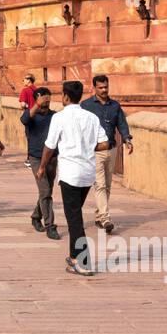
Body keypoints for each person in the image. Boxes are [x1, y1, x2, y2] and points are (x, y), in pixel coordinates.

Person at [38, 80, 109, 276]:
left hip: (70, 173)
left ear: (66, 97)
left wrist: (42, 166)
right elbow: (105, 143)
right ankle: (74, 256)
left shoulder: (59, 118)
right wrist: (86, 147)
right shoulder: (91, 117)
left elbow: (50, 146)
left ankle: (84, 262)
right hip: (87, 173)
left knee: (74, 220)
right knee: (74, 214)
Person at [80, 74, 133, 234]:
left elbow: (121, 124)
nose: (104, 90)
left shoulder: (114, 106)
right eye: (101, 87)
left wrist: (127, 139)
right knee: (100, 185)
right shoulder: (86, 105)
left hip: (111, 149)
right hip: (95, 151)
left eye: (106, 87)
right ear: (94, 88)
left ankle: (99, 216)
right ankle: (105, 218)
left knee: (107, 186)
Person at [22, 87, 60, 239]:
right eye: (43, 98)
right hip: (37, 158)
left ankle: (35, 216)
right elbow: (24, 120)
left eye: (48, 98)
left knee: (47, 191)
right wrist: (36, 105)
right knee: (45, 190)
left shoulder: (55, 117)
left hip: (52, 157)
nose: (46, 101)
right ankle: (50, 225)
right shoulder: (31, 116)